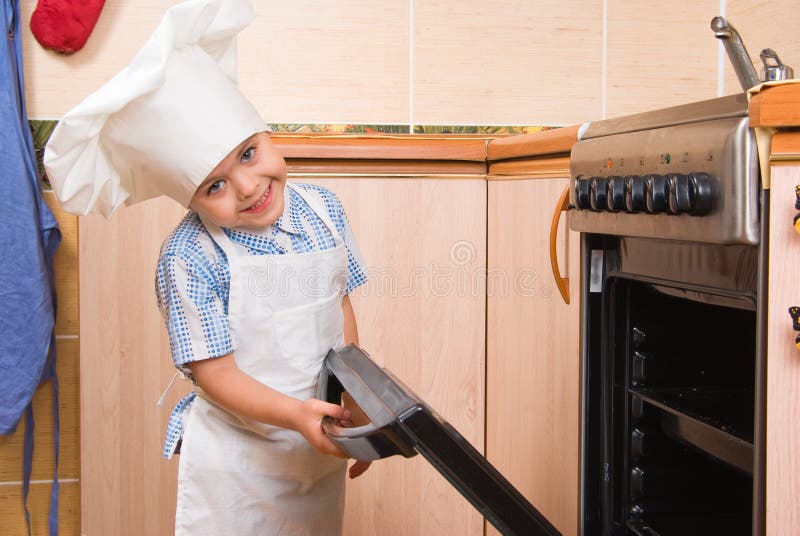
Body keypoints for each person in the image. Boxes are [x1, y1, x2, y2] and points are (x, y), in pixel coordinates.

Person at [43, 0, 370, 534]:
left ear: (264, 132)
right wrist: (296, 415)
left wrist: (354, 402)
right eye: (214, 185)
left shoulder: (324, 212)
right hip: (235, 467)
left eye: (249, 153)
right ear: (188, 199)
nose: (248, 187)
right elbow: (214, 374)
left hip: (316, 447)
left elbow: (340, 312)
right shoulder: (188, 257)